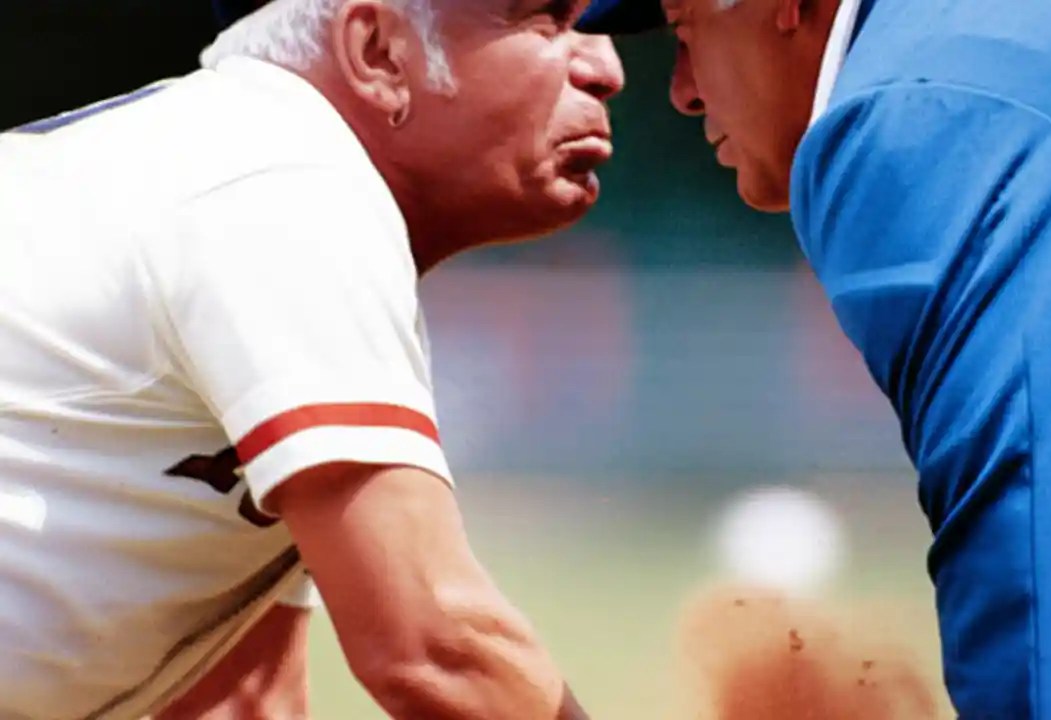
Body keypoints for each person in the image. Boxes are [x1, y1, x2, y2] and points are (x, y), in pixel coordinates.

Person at [576, 0, 1051, 718]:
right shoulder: (987, 38)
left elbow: (1040, 593)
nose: (681, 88)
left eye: (683, 29)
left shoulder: (917, 112)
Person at [0, 0, 621, 717]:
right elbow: (433, 646)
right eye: (543, 18)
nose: (604, 67)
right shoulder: (286, 183)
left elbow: (243, 699)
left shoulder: (233, 161)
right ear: (379, 52)